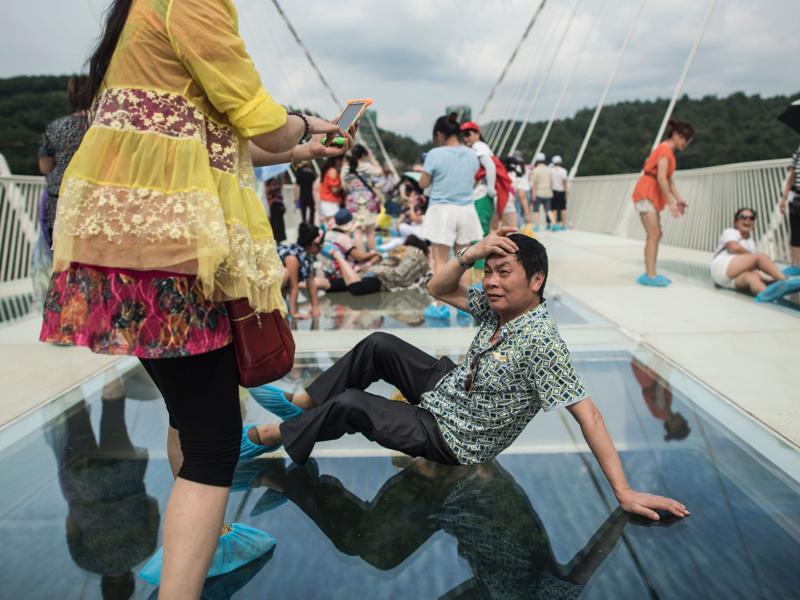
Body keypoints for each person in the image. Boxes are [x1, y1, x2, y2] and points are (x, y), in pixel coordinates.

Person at [38, 0, 351, 596]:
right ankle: (190, 572)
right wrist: (310, 125)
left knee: (190, 412)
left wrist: (297, 149)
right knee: (212, 447)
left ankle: (207, 542)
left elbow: (211, 135)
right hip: (173, 257)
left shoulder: (139, 16)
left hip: (126, 254)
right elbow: (262, 121)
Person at [245, 229, 689, 522]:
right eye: (488, 273)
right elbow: (437, 288)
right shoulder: (499, 309)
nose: (492, 282)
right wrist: (470, 254)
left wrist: (624, 490)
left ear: (536, 281)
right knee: (378, 344)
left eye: (504, 273)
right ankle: (301, 403)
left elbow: (588, 414)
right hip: (453, 388)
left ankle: (276, 433)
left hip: (454, 434)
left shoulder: (542, 341)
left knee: (350, 405)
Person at [255, 457, 637, 597]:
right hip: (453, 489)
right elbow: (595, 554)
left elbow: (595, 555)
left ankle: (310, 484)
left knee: (376, 550)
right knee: (363, 545)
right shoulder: (554, 597)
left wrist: (624, 508)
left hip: (471, 489)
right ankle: (289, 479)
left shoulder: (559, 594)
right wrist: (626, 502)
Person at [419, 114, 482, 319]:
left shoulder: (435, 154)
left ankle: (439, 305)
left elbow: (423, 183)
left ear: (439, 134)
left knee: (440, 261)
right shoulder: (472, 154)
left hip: (442, 210)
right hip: (466, 210)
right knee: (464, 259)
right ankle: (466, 307)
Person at [631, 119, 693, 287]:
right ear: (676, 135)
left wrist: (679, 199)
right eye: (685, 140)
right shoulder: (665, 150)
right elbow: (660, 178)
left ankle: (651, 273)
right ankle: (650, 275)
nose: (686, 144)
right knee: (654, 233)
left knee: (655, 233)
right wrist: (672, 203)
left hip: (650, 192)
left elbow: (668, 179)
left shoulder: (667, 152)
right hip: (646, 192)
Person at [38, 75, 91, 245]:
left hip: (58, 197)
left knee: (58, 252)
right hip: (92, 199)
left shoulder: (55, 126)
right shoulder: (100, 128)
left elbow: (45, 167)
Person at [709, 207, 799, 301]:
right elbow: (733, 247)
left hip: (728, 280)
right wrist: (754, 258)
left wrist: (764, 277)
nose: (747, 220)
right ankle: (786, 280)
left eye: (751, 218)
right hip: (721, 267)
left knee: (752, 278)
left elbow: (749, 266)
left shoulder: (751, 242)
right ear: (736, 222)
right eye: (743, 217)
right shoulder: (731, 231)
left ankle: (768, 295)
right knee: (761, 257)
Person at [341, 144, 384, 251]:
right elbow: (380, 172)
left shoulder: (345, 168)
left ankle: (361, 257)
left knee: (357, 230)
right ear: (363, 155)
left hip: (353, 201)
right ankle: (373, 254)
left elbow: (344, 187)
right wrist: (372, 158)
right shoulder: (365, 166)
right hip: (367, 201)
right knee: (370, 230)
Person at [278, 222, 324, 319]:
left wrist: (315, 307)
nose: (322, 247)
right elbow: (293, 287)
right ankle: (287, 313)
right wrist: (294, 313)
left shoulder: (306, 257)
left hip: (282, 287)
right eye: (320, 245)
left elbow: (311, 284)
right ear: (311, 245)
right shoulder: (293, 257)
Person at [780, 144, 800, 275]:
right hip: (797, 199)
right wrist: (784, 197)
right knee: (796, 234)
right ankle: (795, 267)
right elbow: (792, 175)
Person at [529, 152, 555, 231]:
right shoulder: (549, 170)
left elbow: (534, 184)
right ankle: (554, 223)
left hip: (538, 192)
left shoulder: (536, 170)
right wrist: (551, 191)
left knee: (536, 209)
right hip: (548, 192)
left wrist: (533, 194)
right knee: (548, 209)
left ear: (537, 160)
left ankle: (537, 226)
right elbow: (551, 182)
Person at [550, 154, 569, 230]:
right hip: (561, 191)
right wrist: (566, 192)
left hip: (553, 191)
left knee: (554, 208)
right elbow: (564, 182)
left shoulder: (551, 171)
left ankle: (554, 224)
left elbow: (550, 182)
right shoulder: (563, 171)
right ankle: (563, 225)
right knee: (563, 208)